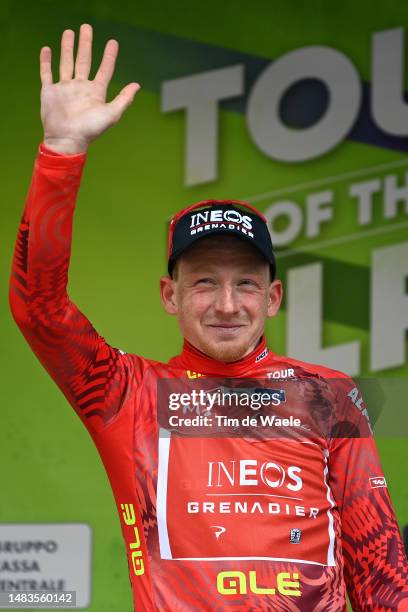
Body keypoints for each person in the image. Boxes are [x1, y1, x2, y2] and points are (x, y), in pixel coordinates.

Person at [9, 23, 408, 612]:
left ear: (273, 298)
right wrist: (61, 153)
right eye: (203, 283)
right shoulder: (126, 395)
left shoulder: (332, 397)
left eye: (245, 282)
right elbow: (39, 309)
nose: (226, 304)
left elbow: (381, 574)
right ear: (170, 295)